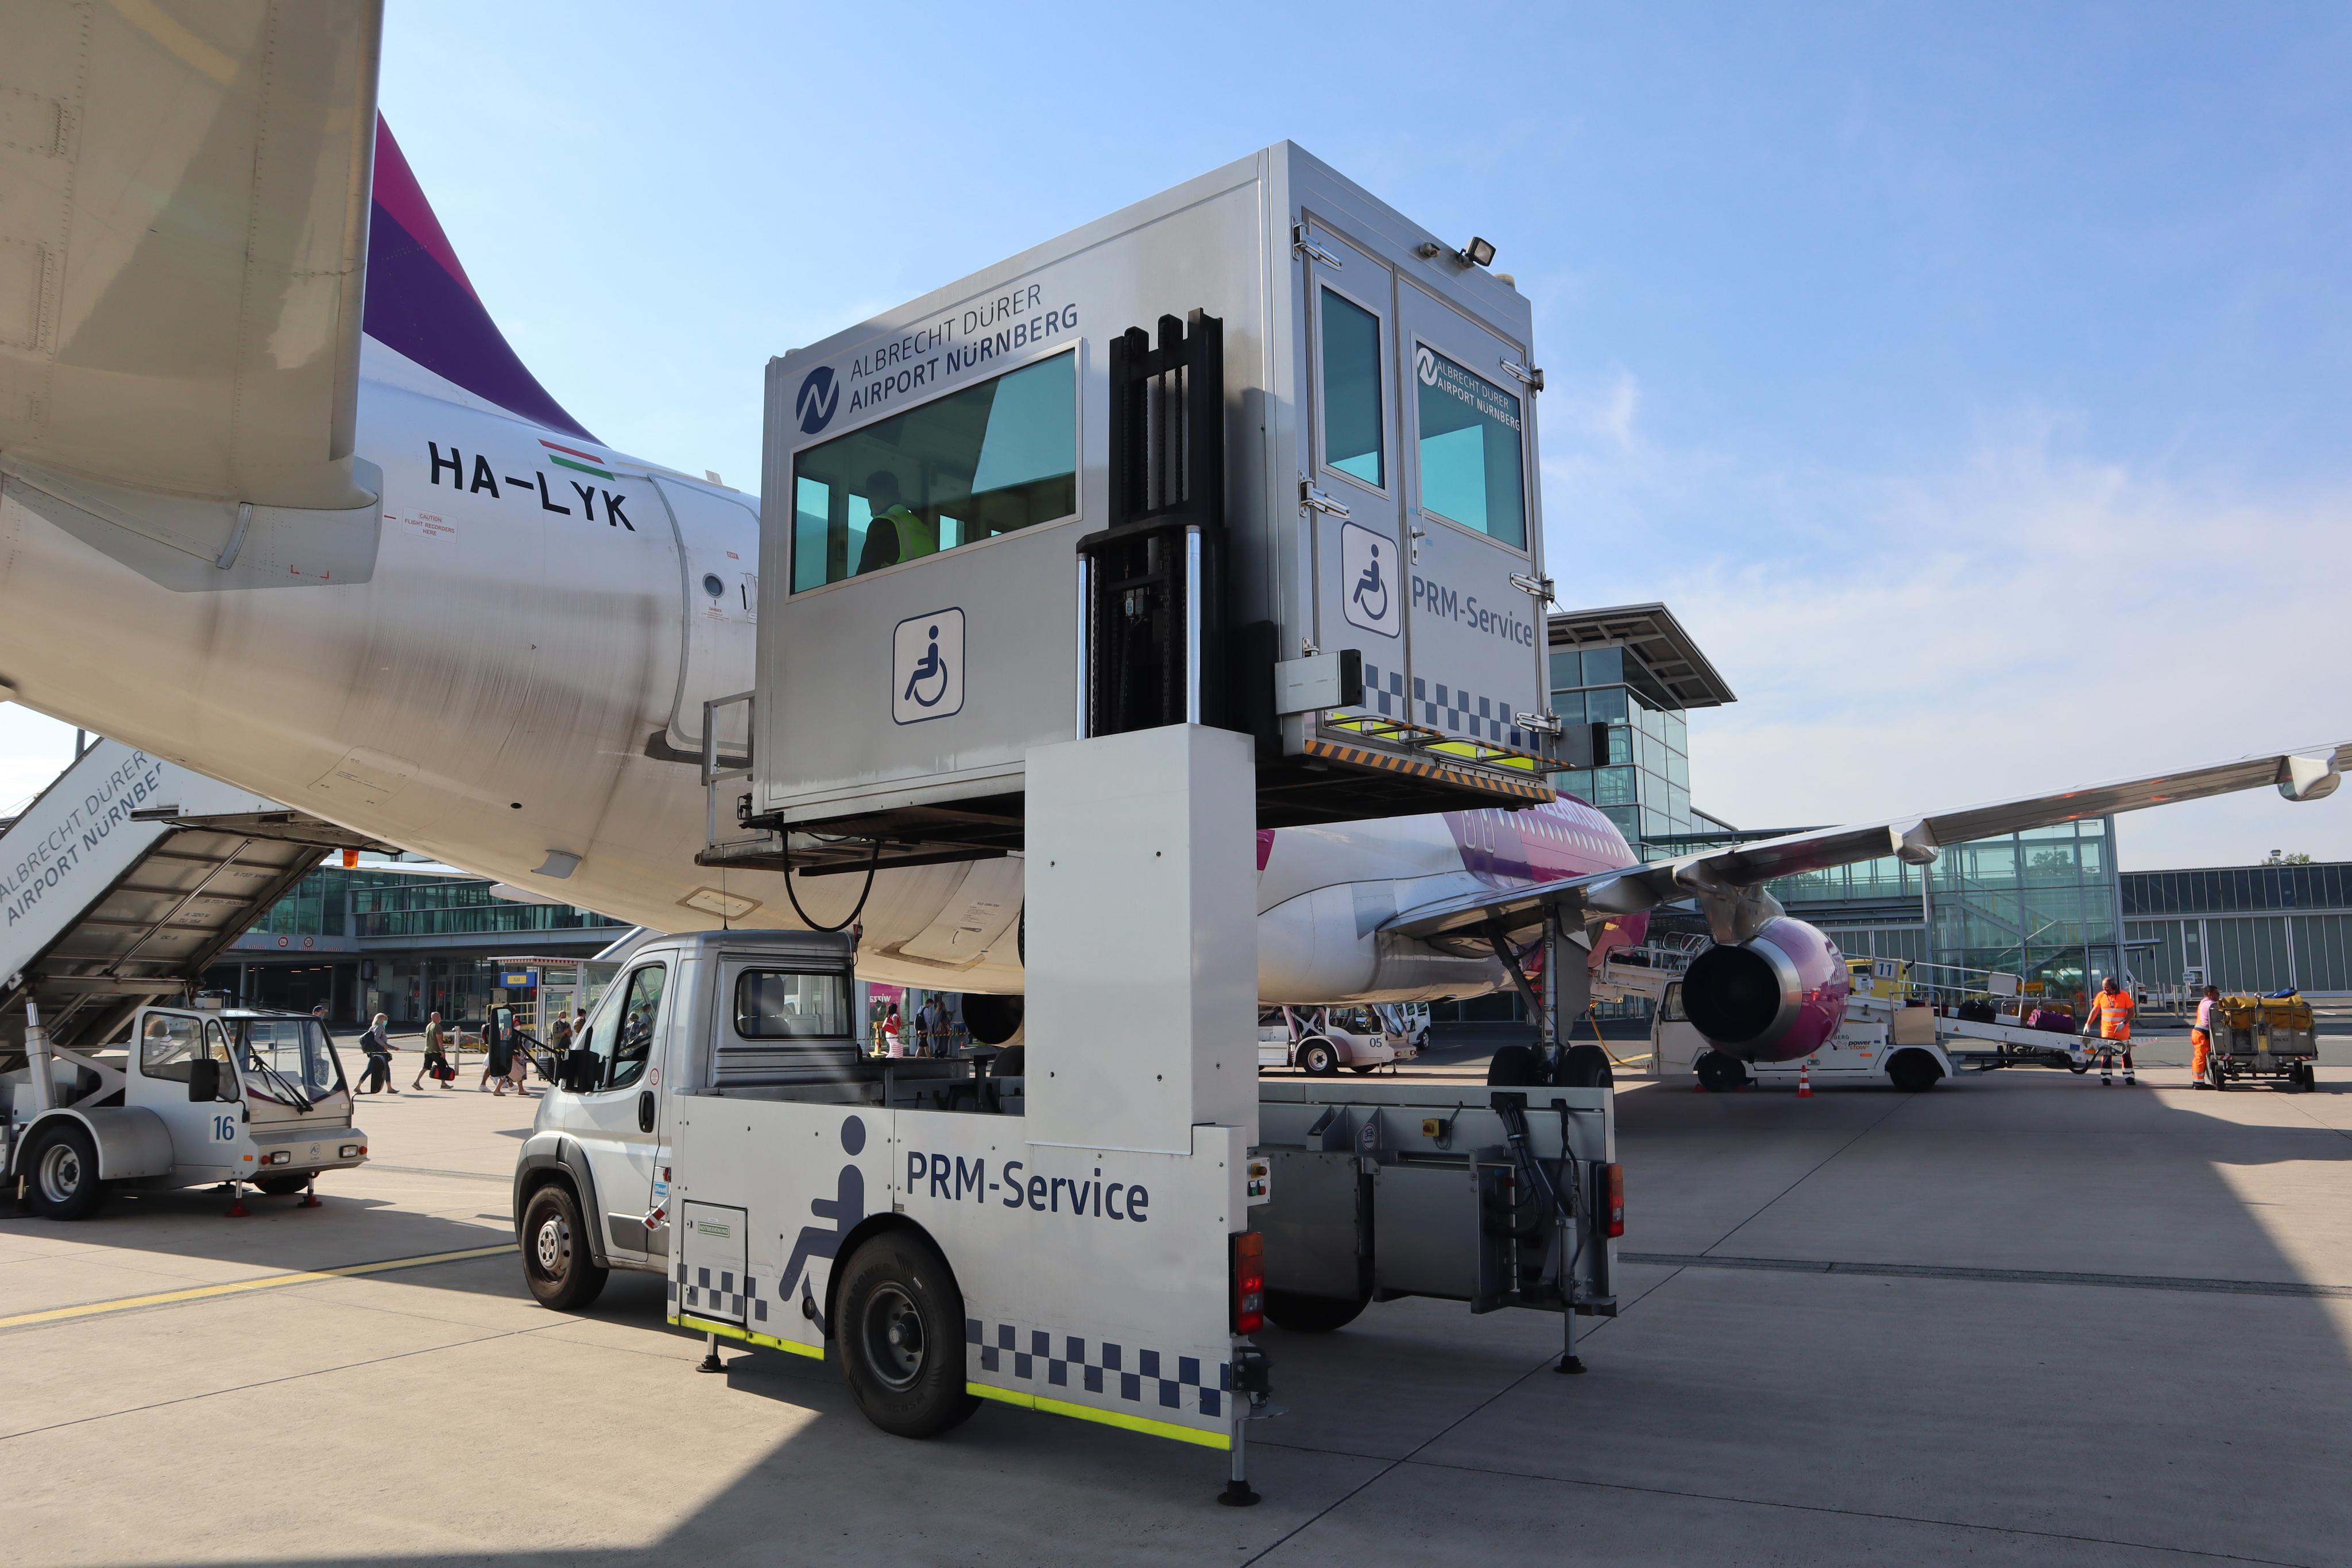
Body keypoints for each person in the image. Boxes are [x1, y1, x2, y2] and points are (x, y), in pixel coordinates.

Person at [853, 471, 937, 576]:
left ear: (871, 499)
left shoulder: (881, 524)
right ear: (899, 496)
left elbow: (863, 578)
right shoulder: (921, 526)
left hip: (902, 590)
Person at [2081, 975, 2137, 1086]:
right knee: (2106, 1052)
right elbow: (2095, 1011)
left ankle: (2129, 1077)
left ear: (2113, 986)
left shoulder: (2124, 996)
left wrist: (2123, 1023)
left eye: (2106, 987)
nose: (2104, 989)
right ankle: (2106, 1078)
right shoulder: (2101, 996)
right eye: (2103, 987)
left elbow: (2131, 1012)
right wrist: (2088, 1023)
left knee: (2125, 1052)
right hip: (2107, 1029)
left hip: (2122, 1029)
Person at [355, 1012, 396, 1095]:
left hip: (374, 1051)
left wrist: (392, 1047)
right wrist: (385, 1046)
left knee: (370, 1069)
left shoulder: (372, 1027)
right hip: (380, 1051)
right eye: (385, 1020)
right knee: (386, 1069)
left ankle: (358, 1086)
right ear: (380, 1020)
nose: (385, 1022)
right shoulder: (380, 1027)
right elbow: (377, 1039)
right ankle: (389, 1088)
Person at [2190, 984, 2222, 1089]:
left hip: (2200, 1033)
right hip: (2202, 1034)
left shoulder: (2204, 1002)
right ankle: (2198, 1083)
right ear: (2210, 994)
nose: (2219, 995)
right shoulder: (2211, 1005)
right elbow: (2219, 1017)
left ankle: (2198, 1081)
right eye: (2217, 993)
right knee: (2200, 1057)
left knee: (2201, 1057)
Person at [412, 1011, 452, 1091]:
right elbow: (439, 1040)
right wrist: (442, 1051)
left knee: (426, 1067)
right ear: (436, 1018)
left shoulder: (429, 1026)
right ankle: (443, 1084)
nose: (440, 1018)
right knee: (443, 1066)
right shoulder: (437, 1027)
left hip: (428, 1051)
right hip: (436, 1051)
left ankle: (416, 1082)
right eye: (439, 1017)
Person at [481, 1005, 509, 1093]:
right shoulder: (493, 1026)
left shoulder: (489, 1026)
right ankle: (484, 1084)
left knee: (496, 1065)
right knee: (492, 1066)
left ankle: (505, 1083)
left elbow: (484, 1038)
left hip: (494, 1048)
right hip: (494, 1049)